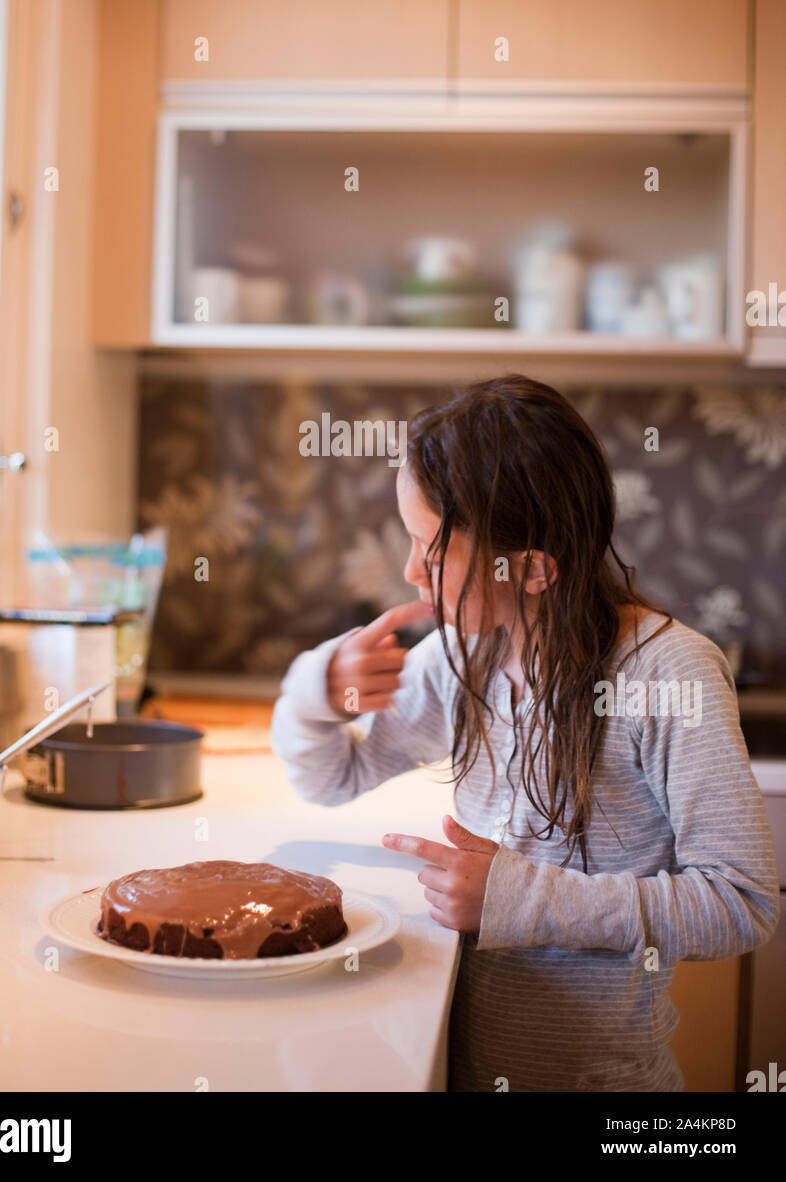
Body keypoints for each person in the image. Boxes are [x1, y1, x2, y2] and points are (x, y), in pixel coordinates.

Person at [271, 375, 779, 1092]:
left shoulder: (666, 671)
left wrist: (517, 899)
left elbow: (741, 902)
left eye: (433, 551)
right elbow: (331, 780)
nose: (412, 572)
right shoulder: (461, 655)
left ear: (534, 567)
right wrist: (316, 693)